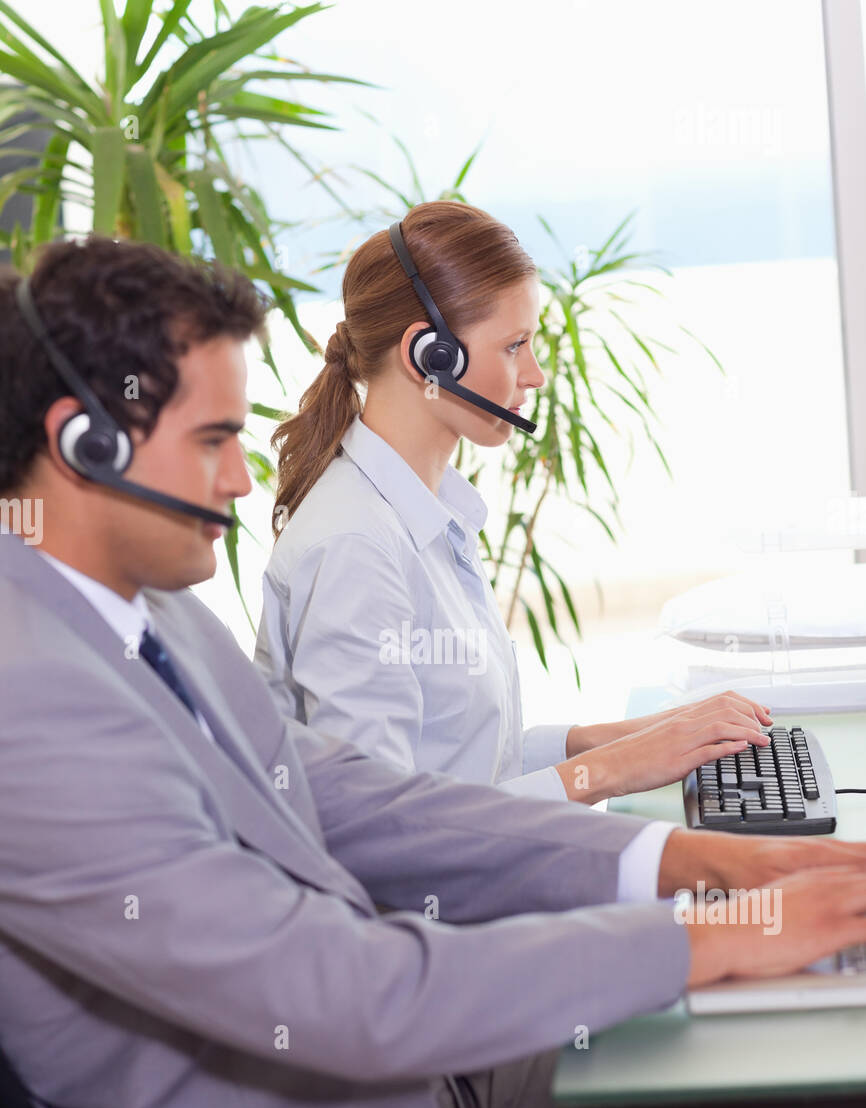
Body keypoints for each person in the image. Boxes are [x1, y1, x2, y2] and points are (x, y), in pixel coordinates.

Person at [3, 235, 866, 1108]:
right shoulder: (31, 702)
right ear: (82, 444)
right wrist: (708, 933)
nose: (242, 475)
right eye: (214, 438)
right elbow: (339, 986)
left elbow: (360, 800)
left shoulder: (150, 613)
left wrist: (695, 860)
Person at [255, 198, 773, 806]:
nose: (535, 374)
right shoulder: (356, 546)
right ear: (430, 356)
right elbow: (382, 824)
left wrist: (654, 735)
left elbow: (464, 761)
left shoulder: (423, 511)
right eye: (513, 346)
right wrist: (614, 770)